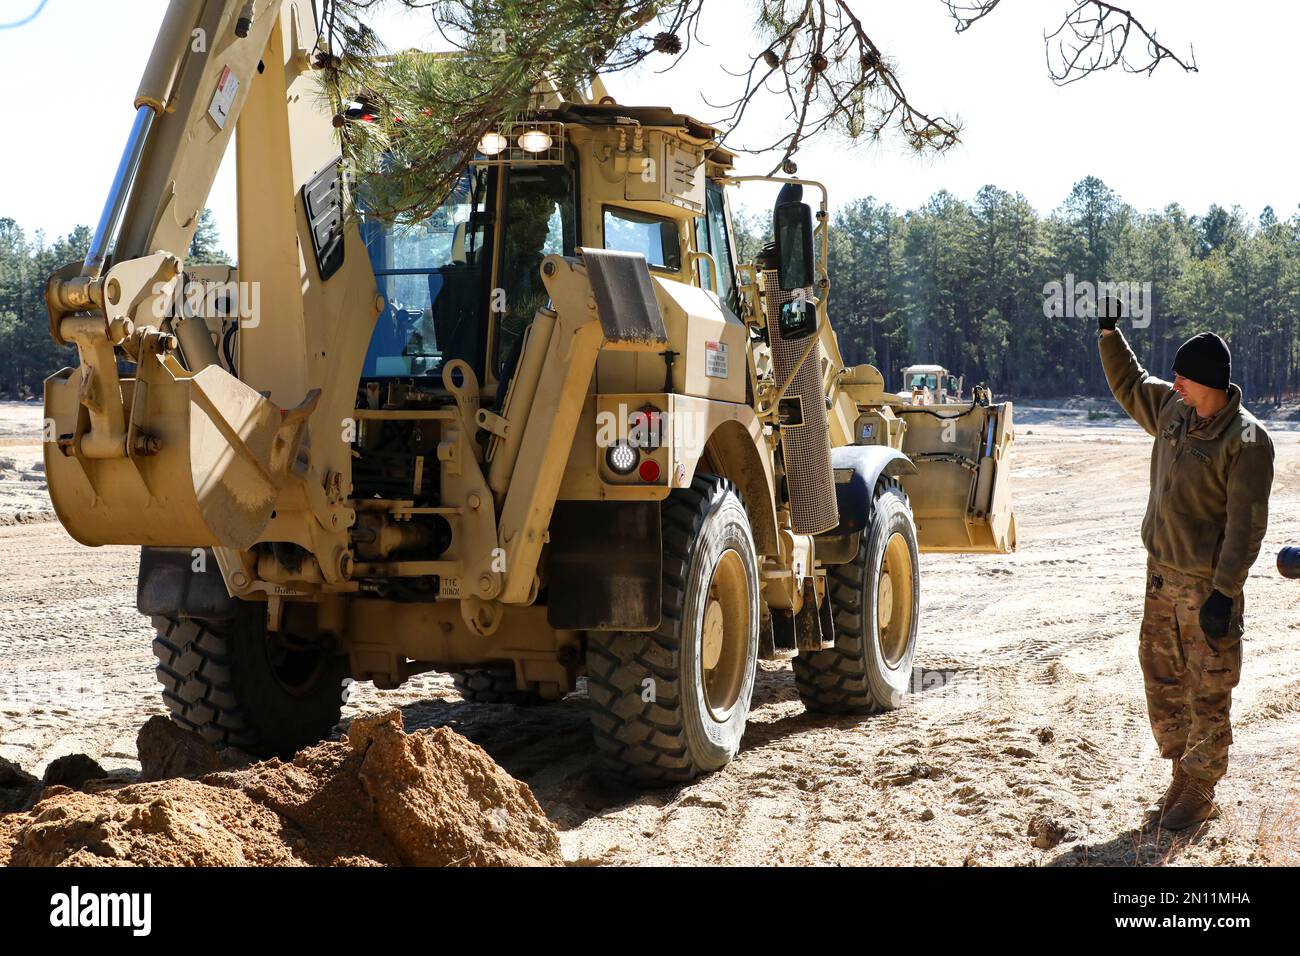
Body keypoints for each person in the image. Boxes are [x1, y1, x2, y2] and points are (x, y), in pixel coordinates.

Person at [1097, 298, 1274, 831]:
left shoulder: (1247, 441)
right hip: (1160, 577)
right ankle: (1180, 770)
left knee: (1208, 686)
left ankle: (1201, 786)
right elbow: (1132, 385)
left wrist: (1224, 592)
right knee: (1163, 680)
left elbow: (1246, 526)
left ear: (1208, 383)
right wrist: (1109, 334)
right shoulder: (1175, 411)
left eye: (1183, 378)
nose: (1173, 384)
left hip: (1206, 588)